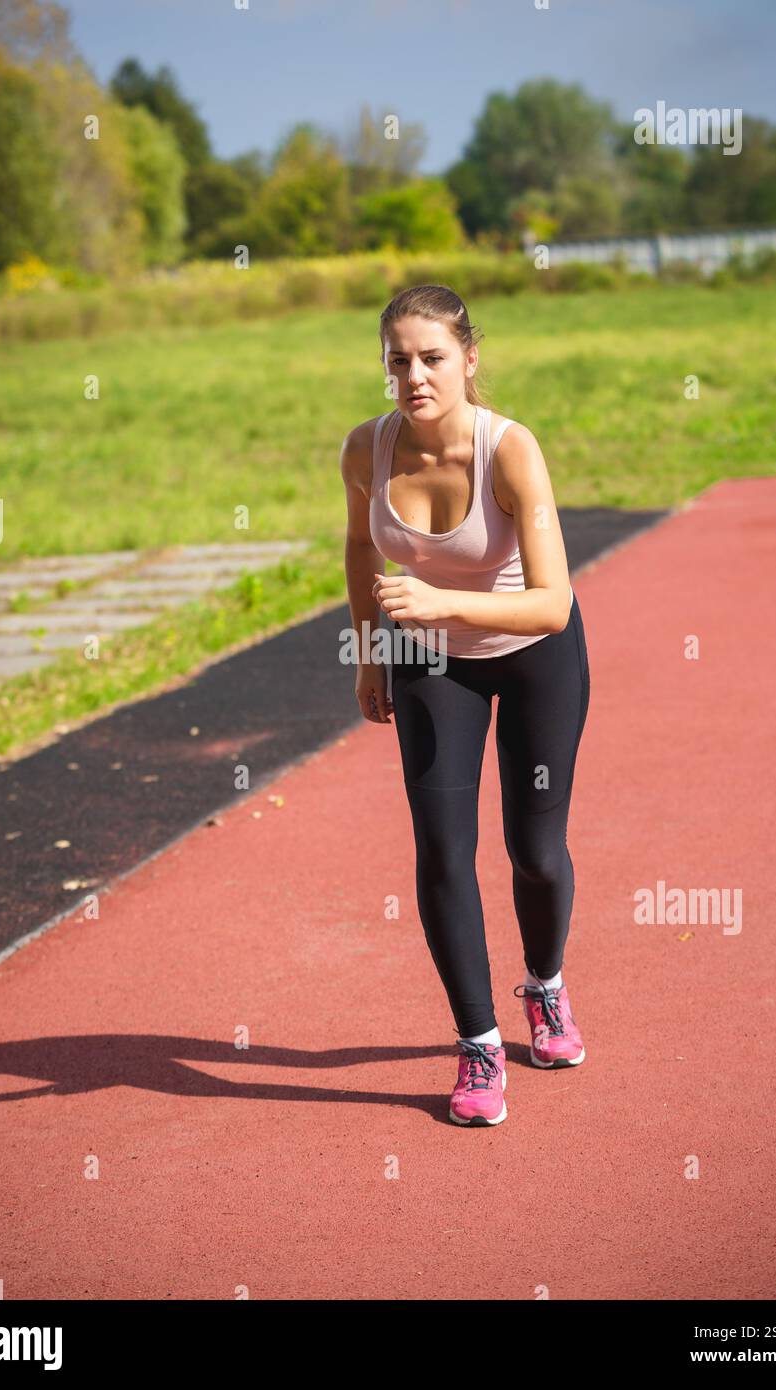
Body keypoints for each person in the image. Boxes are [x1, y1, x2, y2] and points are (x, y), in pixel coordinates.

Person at [340, 284, 590, 1127]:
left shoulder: (510, 450)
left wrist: (436, 606)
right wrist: (375, 650)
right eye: (398, 360)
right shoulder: (365, 449)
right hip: (424, 657)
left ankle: (546, 987)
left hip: (533, 657)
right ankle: (478, 1044)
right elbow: (356, 543)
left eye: (433, 358)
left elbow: (552, 604)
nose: (414, 375)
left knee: (535, 850)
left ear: (470, 360)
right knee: (443, 853)